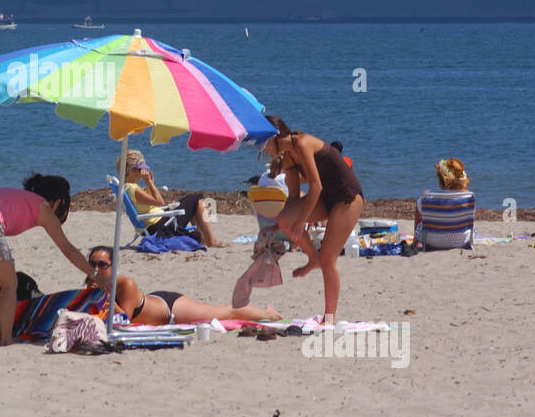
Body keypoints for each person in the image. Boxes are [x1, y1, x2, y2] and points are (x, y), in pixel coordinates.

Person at [0, 174, 93, 345]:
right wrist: (94, 274)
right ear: (57, 202)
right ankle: (6, 339)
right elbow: (69, 250)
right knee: (9, 284)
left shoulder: (21, 196)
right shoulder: (43, 207)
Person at [263, 116, 364, 329]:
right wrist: (281, 223)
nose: (262, 149)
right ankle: (312, 258)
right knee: (284, 219)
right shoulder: (287, 159)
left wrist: (300, 222)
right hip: (327, 200)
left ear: (274, 137)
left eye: (262, 143)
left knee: (329, 262)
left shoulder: (302, 143)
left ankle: (330, 318)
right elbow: (292, 200)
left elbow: (315, 186)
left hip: (347, 198)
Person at [85, 246, 281, 324]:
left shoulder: (125, 284)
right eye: (92, 264)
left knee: (226, 312)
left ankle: (267, 313)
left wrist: (105, 296)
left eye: (102, 264)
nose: (97, 269)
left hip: (170, 308)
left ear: (113, 266)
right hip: (153, 302)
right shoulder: (94, 285)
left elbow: (122, 321)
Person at [120, 149, 226, 247]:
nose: (143, 172)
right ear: (132, 170)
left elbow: (146, 202)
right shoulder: (133, 188)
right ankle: (211, 241)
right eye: (141, 169)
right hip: (159, 226)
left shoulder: (127, 187)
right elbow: (160, 202)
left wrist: (149, 185)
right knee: (197, 199)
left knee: (191, 203)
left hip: (156, 222)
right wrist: (150, 183)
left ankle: (203, 238)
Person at [414, 158, 474, 245]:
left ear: (441, 179)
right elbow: (471, 218)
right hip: (461, 240)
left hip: (431, 240)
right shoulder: (469, 197)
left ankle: (415, 242)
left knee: (419, 208)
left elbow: (419, 211)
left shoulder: (427, 196)